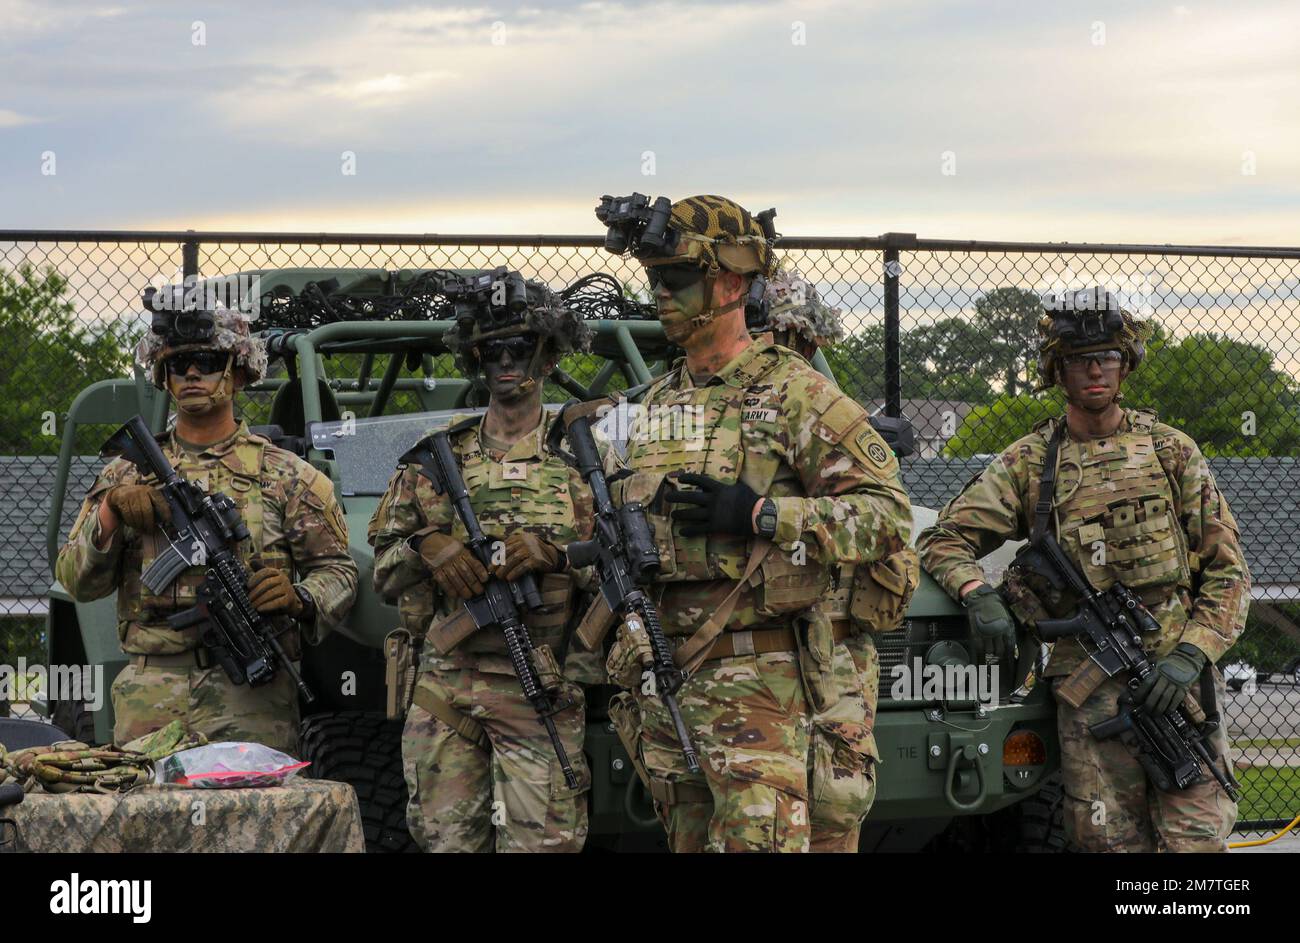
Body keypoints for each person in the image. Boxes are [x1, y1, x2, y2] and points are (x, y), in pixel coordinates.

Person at [595, 193, 914, 852]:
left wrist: (763, 513)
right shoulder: (654, 404)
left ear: (731, 283)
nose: (661, 294)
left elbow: (886, 516)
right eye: (654, 279)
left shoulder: (795, 392)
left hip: (762, 688)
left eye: (678, 279)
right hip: (671, 685)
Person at [915, 293, 1249, 852]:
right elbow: (943, 539)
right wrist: (977, 593)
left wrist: (1191, 655)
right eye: (1079, 360)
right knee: (1103, 841)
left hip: (1175, 682)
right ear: (1057, 371)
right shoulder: (1030, 464)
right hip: (1087, 690)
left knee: (1196, 837)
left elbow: (1228, 571)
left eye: (1107, 358)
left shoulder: (1171, 453)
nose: (1095, 370)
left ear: (1125, 366)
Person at [56, 295, 358, 754]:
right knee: (147, 821)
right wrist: (111, 511)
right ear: (163, 377)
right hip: (151, 689)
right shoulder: (124, 474)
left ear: (238, 372)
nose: (192, 374)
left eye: (207, 361)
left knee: (254, 822)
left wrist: (300, 597)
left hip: (250, 694)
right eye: (178, 365)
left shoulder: (288, 476)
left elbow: (339, 571)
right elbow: (76, 580)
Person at [369, 270, 597, 852]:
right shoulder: (435, 459)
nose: (504, 361)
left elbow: (622, 567)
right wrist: (429, 547)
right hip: (448, 687)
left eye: (519, 348)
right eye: (490, 349)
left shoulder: (581, 458)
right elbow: (382, 571)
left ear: (546, 357)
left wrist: (556, 555)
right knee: (445, 843)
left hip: (539, 685)